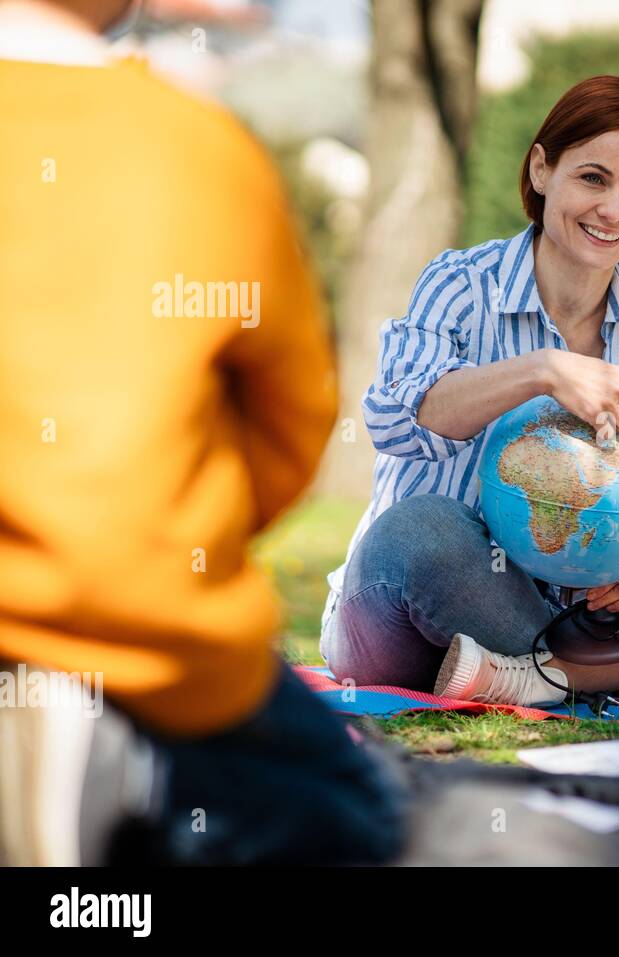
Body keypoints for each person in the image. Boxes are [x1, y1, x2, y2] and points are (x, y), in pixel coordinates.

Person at [0, 0, 404, 864]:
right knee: (357, 812)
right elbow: (290, 421)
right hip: (131, 639)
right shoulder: (195, 147)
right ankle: (104, 771)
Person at [322, 75, 619, 709]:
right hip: (426, 606)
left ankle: (543, 677)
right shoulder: (460, 284)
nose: (613, 210)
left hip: (583, 617)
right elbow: (392, 417)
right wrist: (543, 371)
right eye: (593, 178)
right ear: (541, 169)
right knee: (420, 531)